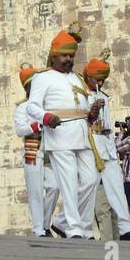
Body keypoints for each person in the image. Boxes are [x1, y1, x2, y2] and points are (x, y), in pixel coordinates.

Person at [27, 22, 98, 240]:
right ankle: (75, 228)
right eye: (64, 56)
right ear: (54, 56)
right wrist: (47, 117)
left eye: (71, 56)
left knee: (91, 180)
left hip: (81, 134)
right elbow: (32, 106)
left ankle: (66, 222)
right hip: (59, 135)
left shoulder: (76, 78)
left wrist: (92, 112)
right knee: (67, 182)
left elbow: (84, 108)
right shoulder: (43, 77)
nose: (68, 59)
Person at [82, 52, 130, 241]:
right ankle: (74, 226)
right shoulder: (82, 95)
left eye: (103, 79)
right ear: (89, 77)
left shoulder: (104, 95)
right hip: (90, 146)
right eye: (97, 79)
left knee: (117, 186)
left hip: (106, 147)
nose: (100, 83)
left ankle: (127, 227)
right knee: (87, 188)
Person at [14, 63, 49, 236]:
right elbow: (20, 130)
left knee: (54, 186)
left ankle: (47, 223)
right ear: (27, 88)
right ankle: (38, 229)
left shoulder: (46, 105)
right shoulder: (22, 107)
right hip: (33, 149)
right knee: (35, 190)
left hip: (49, 149)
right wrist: (36, 125)